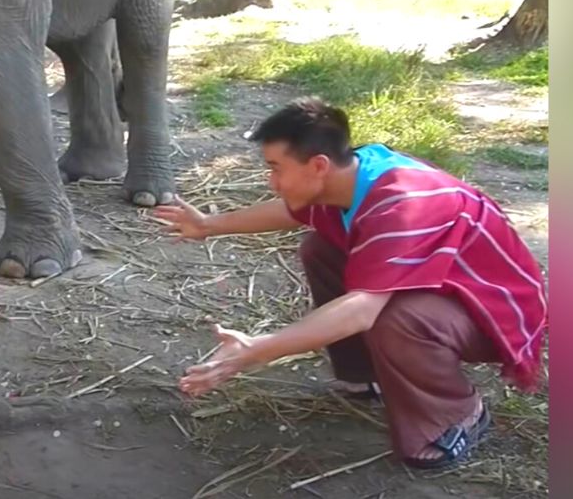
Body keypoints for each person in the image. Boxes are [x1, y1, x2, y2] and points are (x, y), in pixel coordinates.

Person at [153, 97, 547, 470]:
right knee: (322, 248)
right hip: (447, 291)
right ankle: (366, 375)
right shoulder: (356, 173)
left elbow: (361, 309)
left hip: (494, 313)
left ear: (318, 165)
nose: (272, 181)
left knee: (398, 317)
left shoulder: (403, 203)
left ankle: (458, 414)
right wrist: (208, 224)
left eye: (276, 167)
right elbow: (292, 212)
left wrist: (258, 349)